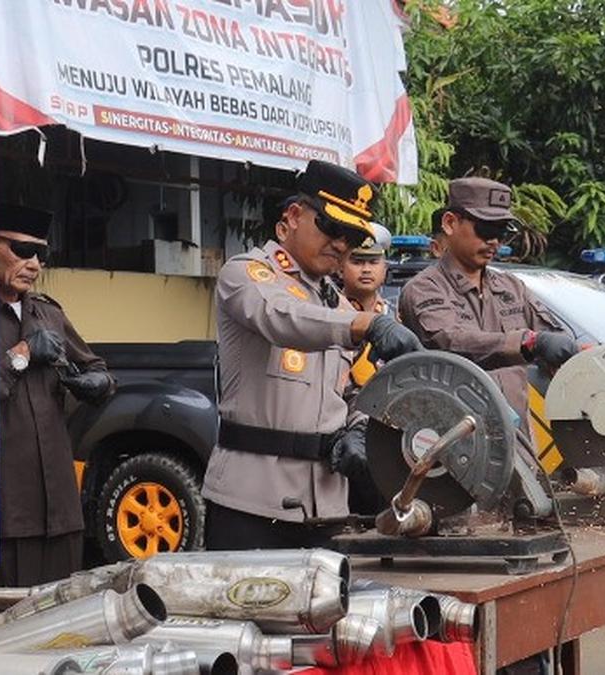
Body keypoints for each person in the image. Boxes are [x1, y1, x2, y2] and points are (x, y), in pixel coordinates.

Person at [202, 160, 423, 550]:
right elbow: (282, 317)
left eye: (351, 236)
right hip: (251, 504)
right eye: (332, 227)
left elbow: (354, 390)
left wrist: (358, 428)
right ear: (293, 216)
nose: (341, 244)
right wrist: (365, 324)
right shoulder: (246, 275)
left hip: (326, 508)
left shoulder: (337, 304)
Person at [0, 204, 114, 586]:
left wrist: (97, 383)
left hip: (60, 505)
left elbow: (97, 368)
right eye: (22, 250)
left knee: (62, 607)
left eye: (41, 254)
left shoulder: (49, 314)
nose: (33, 264)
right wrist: (21, 355)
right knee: (7, 611)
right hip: (9, 507)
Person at [397, 177, 575, 426]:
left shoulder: (512, 287)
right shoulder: (425, 288)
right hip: (451, 436)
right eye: (486, 230)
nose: (494, 241)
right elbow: (450, 342)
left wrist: (567, 351)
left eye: (502, 232)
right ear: (450, 223)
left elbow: (555, 339)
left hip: (514, 436)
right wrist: (528, 343)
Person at [337, 225, 393, 515]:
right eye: (357, 261)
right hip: (345, 434)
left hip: (391, 433)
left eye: (374, 261)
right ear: (340, 266)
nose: (366, 269)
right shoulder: (330, 316)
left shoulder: (396, 316)